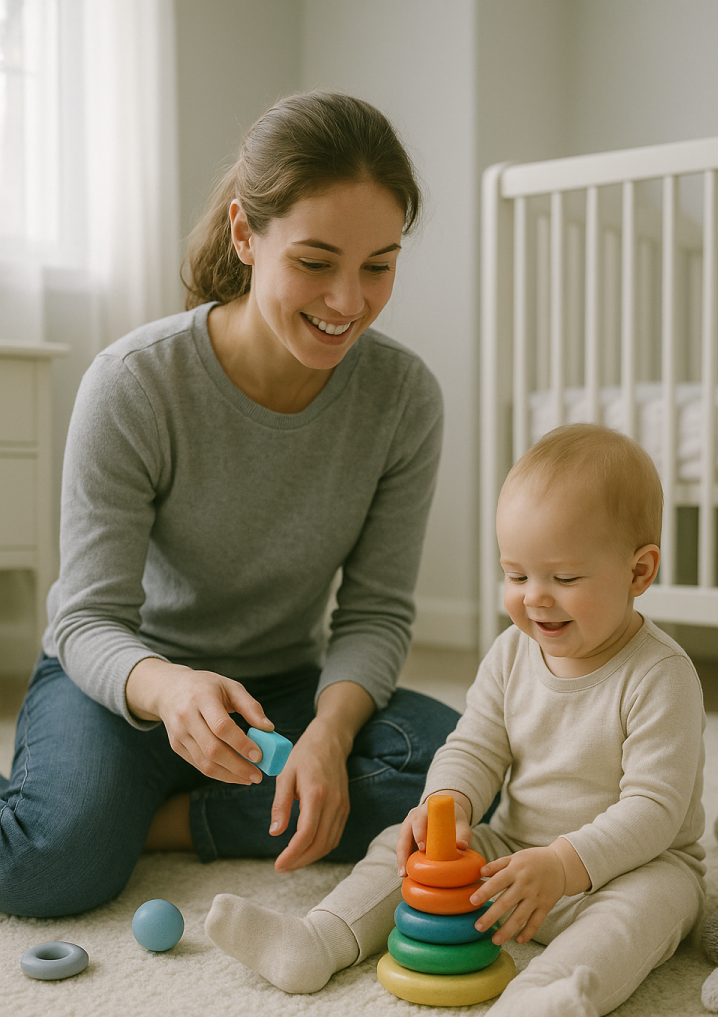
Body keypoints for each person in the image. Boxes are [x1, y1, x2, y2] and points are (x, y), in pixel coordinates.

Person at [1, 92, 461, 919]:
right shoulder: (135, 384)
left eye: (378, 265)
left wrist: (327, 731)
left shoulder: (403, 398)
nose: (349, 302)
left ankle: (159, 823)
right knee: (48, 866)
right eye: (316, 262)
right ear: (247, 236)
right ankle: (106, 811)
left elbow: (377, 612)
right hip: (127, 683)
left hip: (284, 693)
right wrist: (171, 691)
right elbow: (84, 621)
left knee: (457, 776)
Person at [205, 423, 707, 1017]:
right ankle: (318, 941)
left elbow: (654, 811)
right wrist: (449, 805)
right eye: (516, 575)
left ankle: (541, 998)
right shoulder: (511, 653)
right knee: (399, 844)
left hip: (632, 866)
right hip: (514, 852)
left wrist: (563, 866)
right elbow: (474, 745)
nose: (535, 600)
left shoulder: (661, 675)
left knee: (646, 909)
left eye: (565, 578)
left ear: (640, 571)